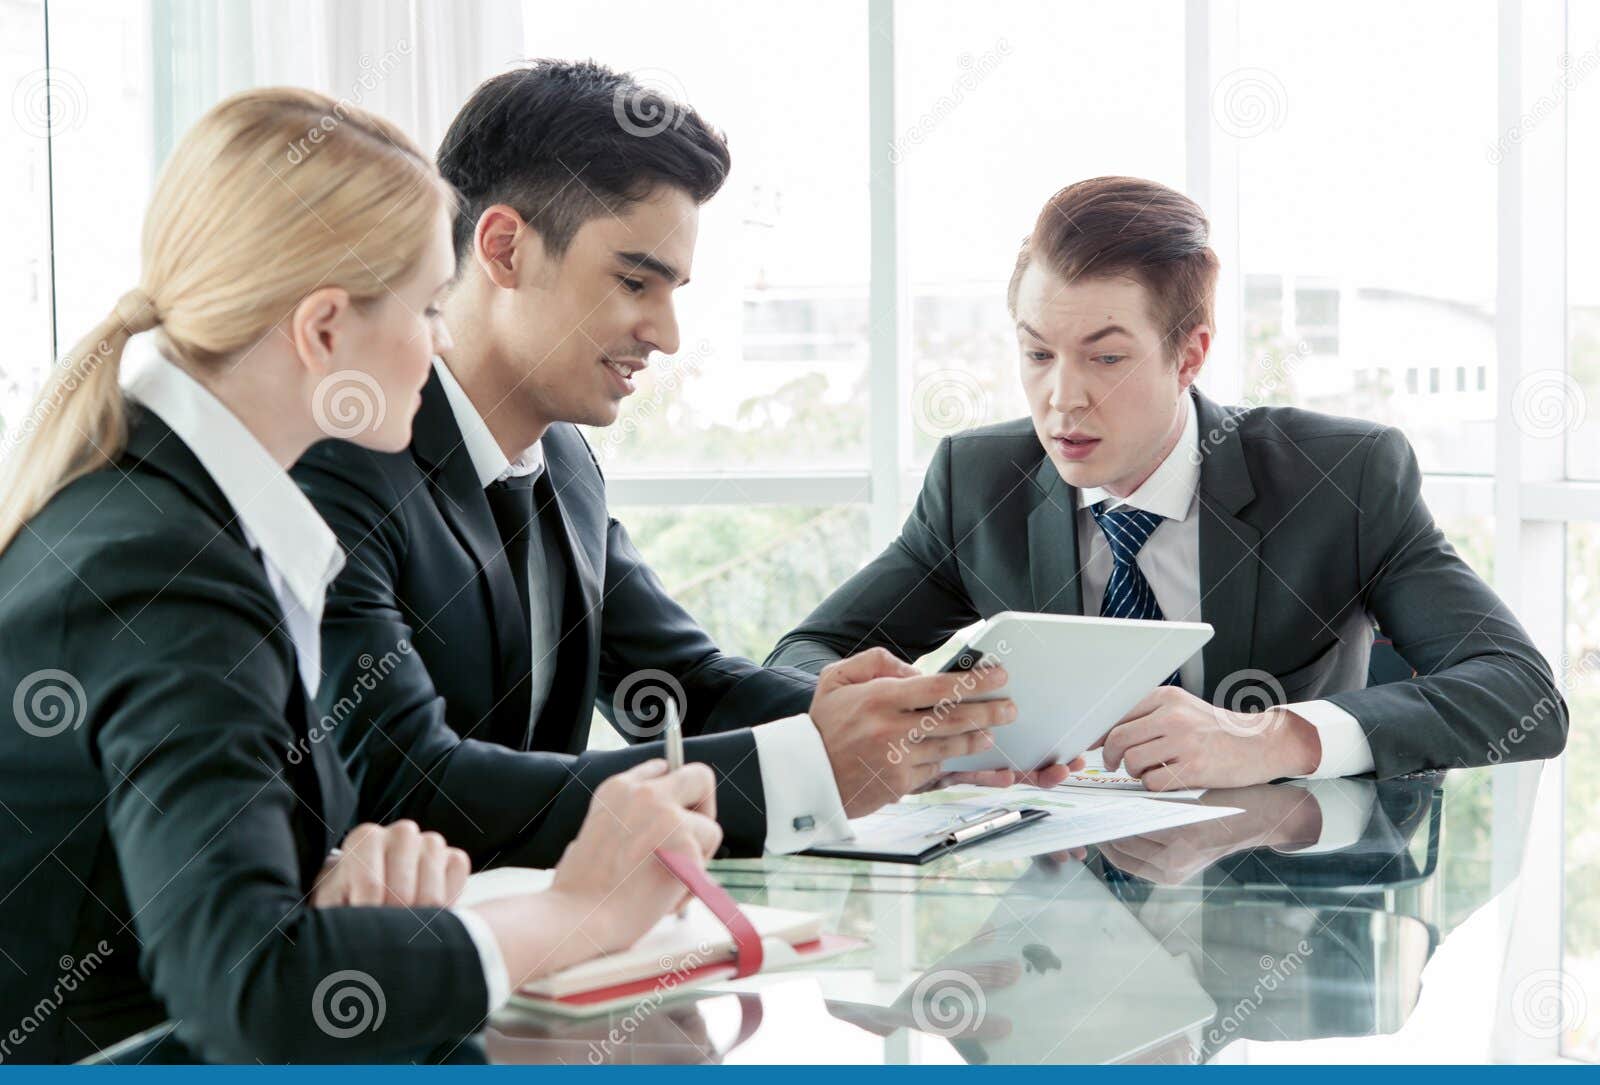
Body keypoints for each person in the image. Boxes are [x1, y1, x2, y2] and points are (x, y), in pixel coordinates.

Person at [0, 88, 721, 1064]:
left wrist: (324, 880)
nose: (441, 339)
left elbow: (205, 914)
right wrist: (576, 911)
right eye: (427, 306)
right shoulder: (169, 574)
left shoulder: (171, 514)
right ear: (324, 330)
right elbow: (252, 999)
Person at [292, 60, 1069, 867]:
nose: (666, 334)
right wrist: (802, 767)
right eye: (635, 280)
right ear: (503, 248)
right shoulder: (341, 465)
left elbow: (685, 687)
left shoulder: (564, 461)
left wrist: (910, 731)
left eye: (674, 290)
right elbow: (410, 789)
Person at [766, 175, 1567, 788]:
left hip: (1280, 917)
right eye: (1038, 352)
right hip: (1053, 930)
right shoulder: (978, 483)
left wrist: (1270, 738)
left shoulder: (1343, 478)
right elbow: (803, 657)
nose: (1062, 398)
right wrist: (923, 727)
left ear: (1189, 356)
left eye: (1106, 357)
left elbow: (1520, 692)